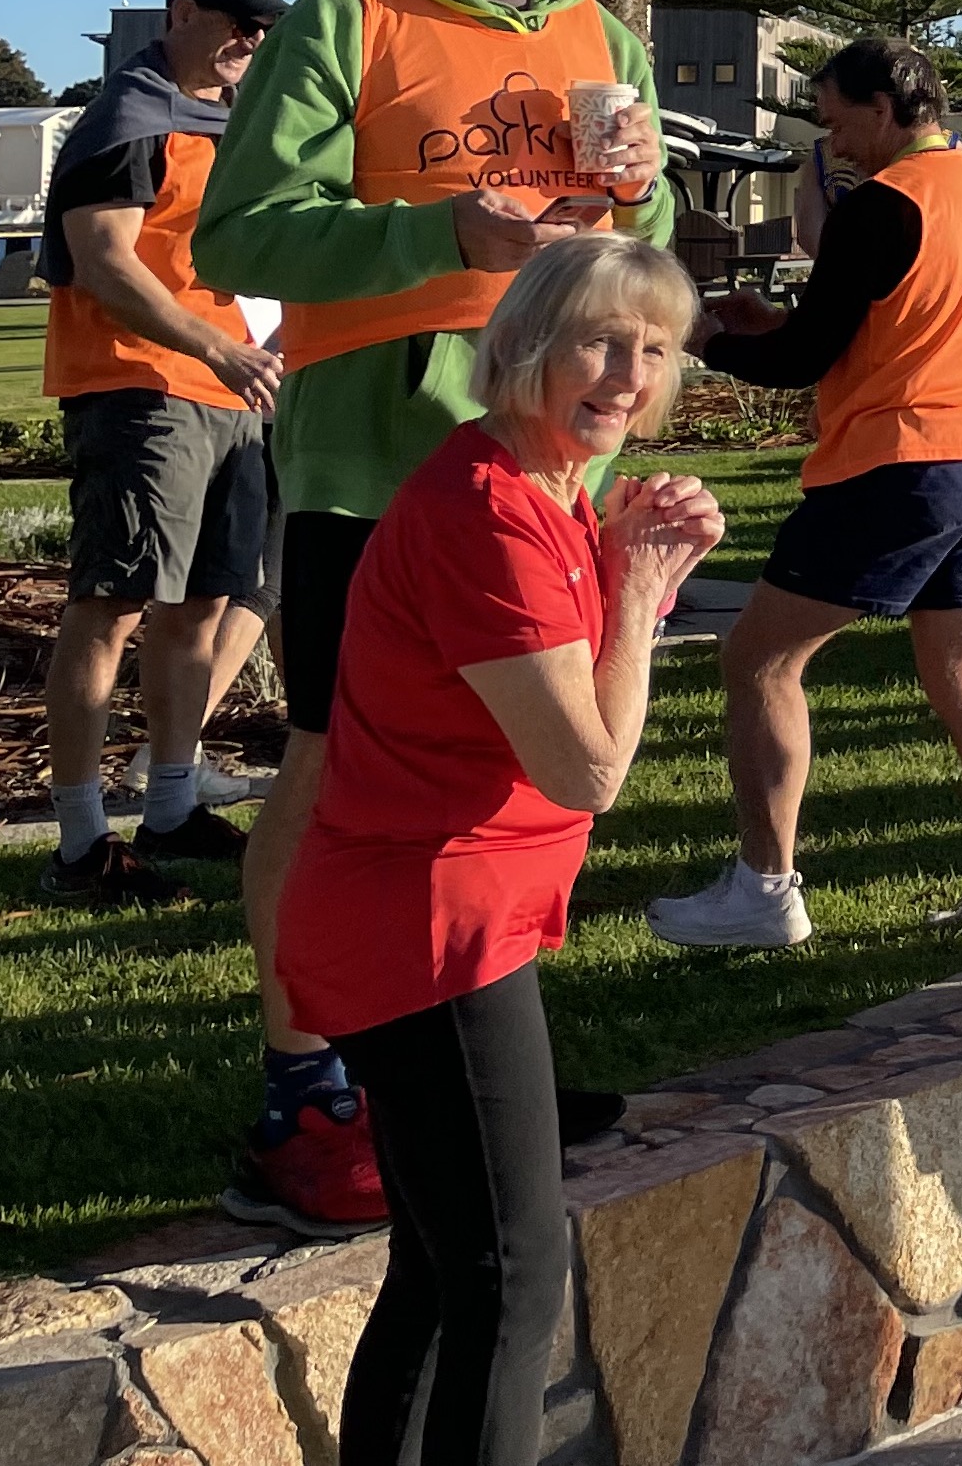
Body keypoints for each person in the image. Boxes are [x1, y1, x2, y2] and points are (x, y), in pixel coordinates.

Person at [197, 0, 670, 1239]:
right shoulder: (347, 12)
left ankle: (472, 1066)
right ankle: (303, 1096)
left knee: (502, 783)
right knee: (333, 773)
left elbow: (631, 240)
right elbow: (239, 227)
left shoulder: (601, 33)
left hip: (542, 477)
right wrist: (437, 229)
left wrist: (646, 194)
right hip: (371, 470)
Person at [276, 236, 724, 1466]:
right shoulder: (489, 509)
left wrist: (636, 558)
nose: (630, 374)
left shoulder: (544, 489)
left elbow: (566, 692)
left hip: (440, 910)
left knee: (441, 1270)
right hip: (427, 927)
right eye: (601, 338)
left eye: (656, 347)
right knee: (512, 1276)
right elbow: (586, 766)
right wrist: (639, 588)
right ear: (525, 342)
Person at [654, 38, 962, 949]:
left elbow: (803, 359)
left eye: (835, 120)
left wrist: (705, 339)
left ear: (886, 107)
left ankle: (763, 888)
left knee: (759, 657)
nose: (829, 143)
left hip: (899, 460)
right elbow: (897, 321)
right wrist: (779, 323)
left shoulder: (881, 203)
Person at [35, 0, 291, 910]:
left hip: (231, 388)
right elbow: (103, 259)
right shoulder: (130, 113)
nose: (248, 40)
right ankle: (78, 841)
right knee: (113, 605)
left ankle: (174, 805)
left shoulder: (229, 121)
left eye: (260, 26)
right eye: (232, 19)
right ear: (180, 12)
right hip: (141, 386)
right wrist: (213, 349)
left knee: (202, 608)